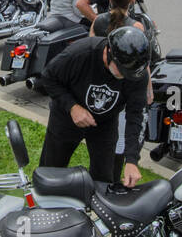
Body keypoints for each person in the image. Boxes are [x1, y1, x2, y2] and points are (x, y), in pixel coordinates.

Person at [36, 25, 150, 186]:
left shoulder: (137, 74)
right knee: (51, 170)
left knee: (104, 176)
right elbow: (48, 77)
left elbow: (135, 115)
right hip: (66, 118)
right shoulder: (80, 53)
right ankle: (46, 203)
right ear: (108, 53)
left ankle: (96, 206)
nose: (125, 76)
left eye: (129, 73)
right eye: (122, 71)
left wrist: (132, 160)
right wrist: (72, 107)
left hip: (104, 123)